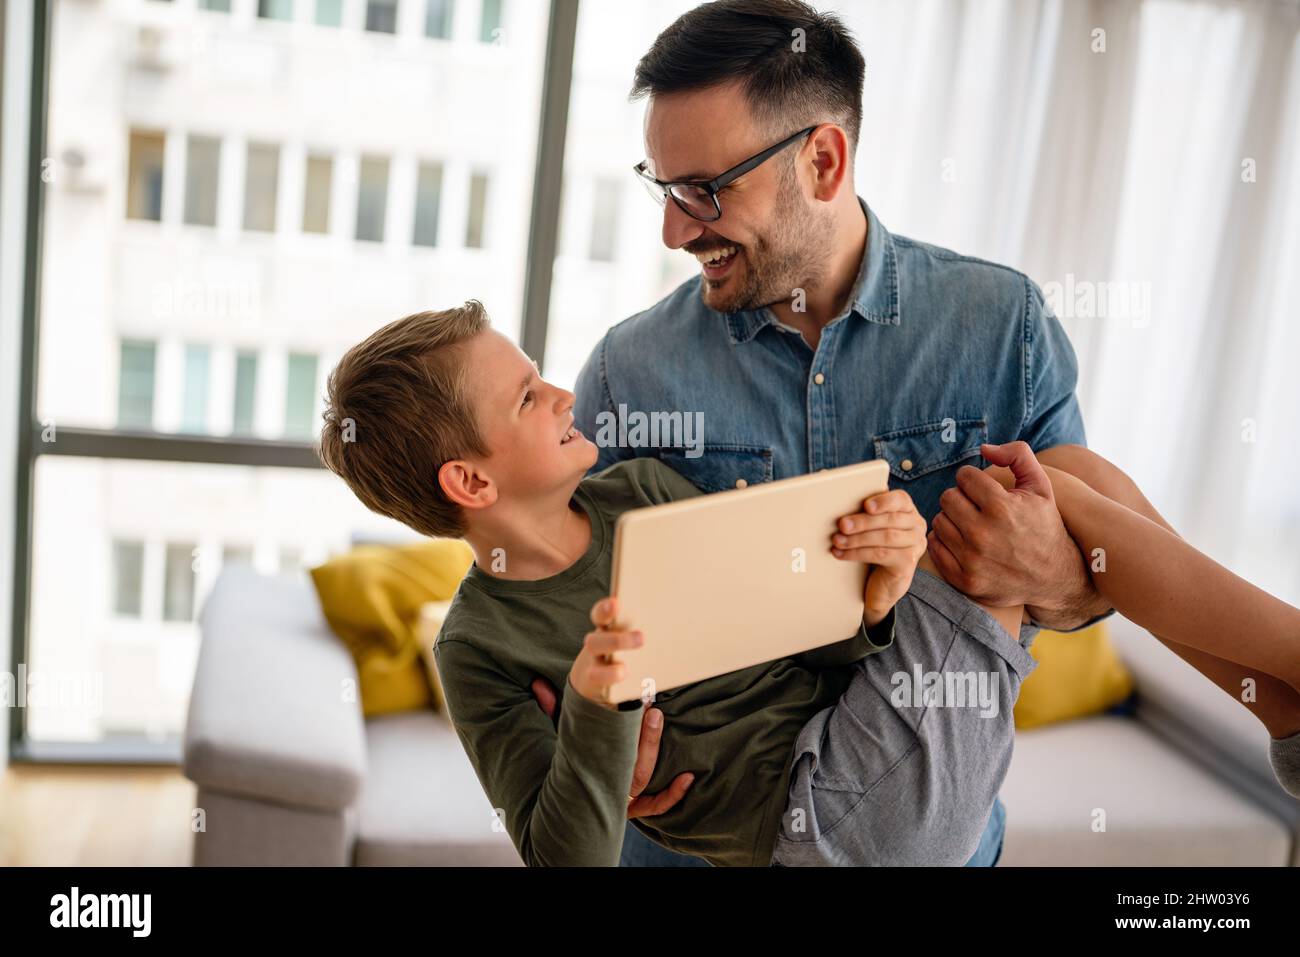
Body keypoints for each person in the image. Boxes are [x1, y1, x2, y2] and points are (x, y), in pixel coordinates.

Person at [565, 0, 1110, 866]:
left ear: (823, 159)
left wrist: (1046, 572)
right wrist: (585, 743)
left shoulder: (1001, 327)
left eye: (705, 190)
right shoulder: (627, 372)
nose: (673, 230)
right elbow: (556, 609)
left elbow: (1094, 587)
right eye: (662, 188)